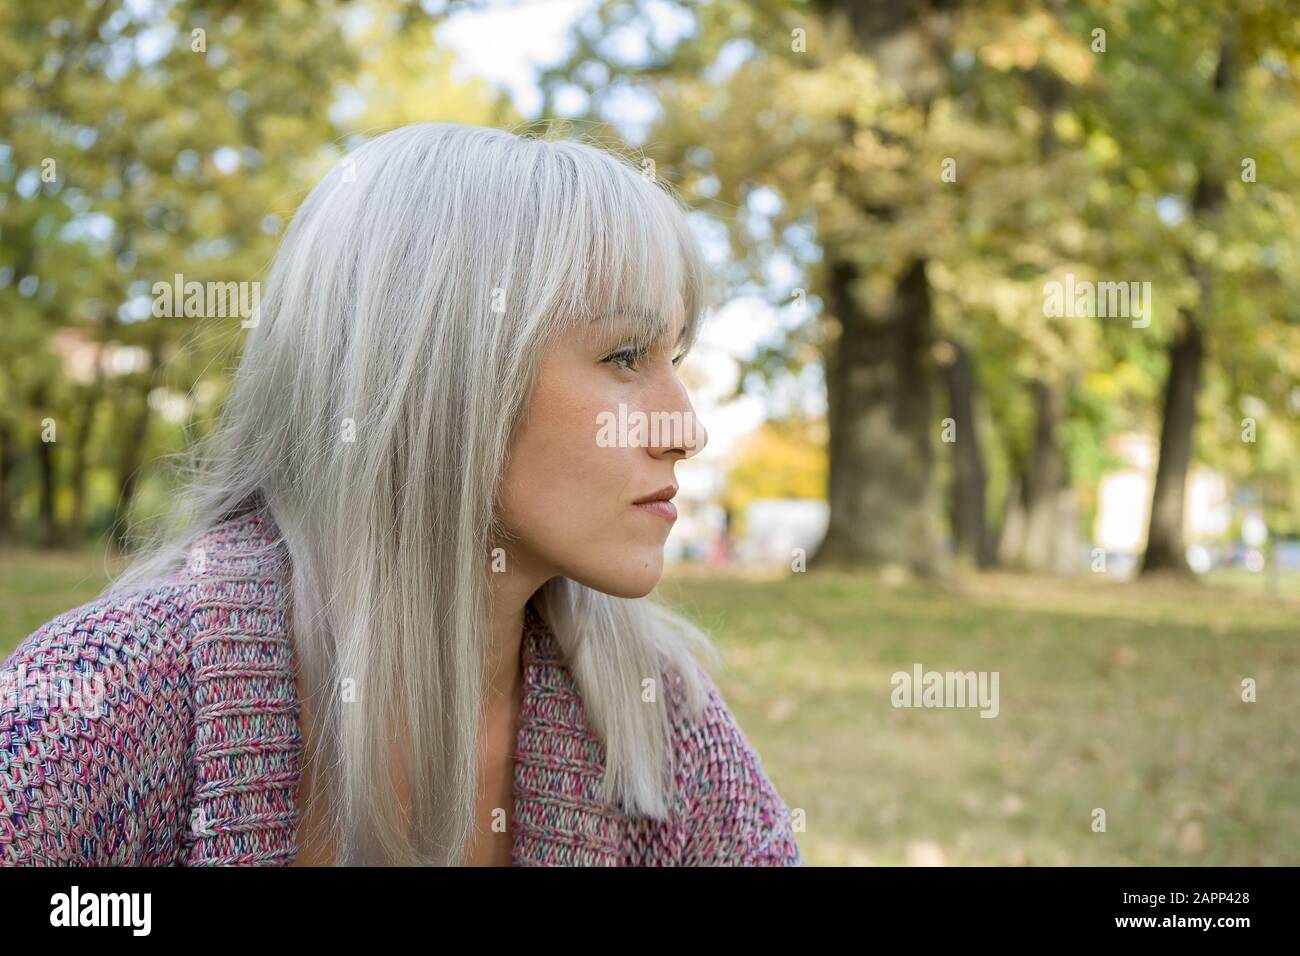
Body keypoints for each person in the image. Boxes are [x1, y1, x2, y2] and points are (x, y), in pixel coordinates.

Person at [0, 123, 804, 867]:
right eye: (626, 355)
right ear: (439, 377)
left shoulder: (654, 717)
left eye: (675, 356)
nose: (686, 428)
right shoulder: (102, 703)